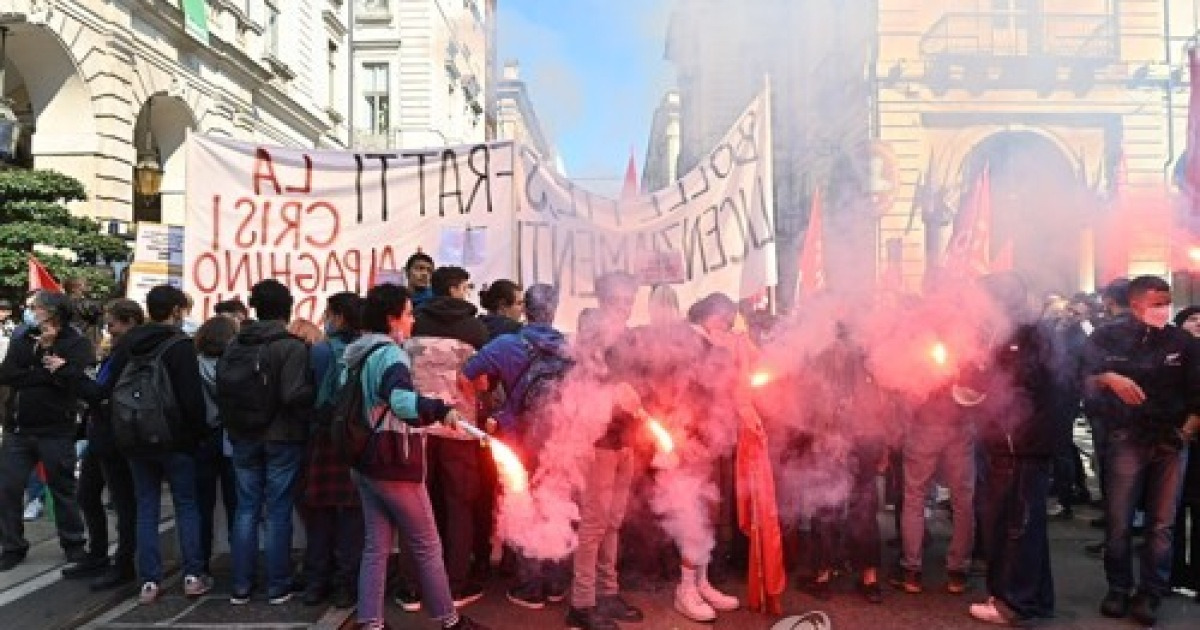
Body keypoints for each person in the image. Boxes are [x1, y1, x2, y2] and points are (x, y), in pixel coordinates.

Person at [345, 282, 486, 630]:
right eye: (408, 314)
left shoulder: (356, 352)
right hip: (394, 460)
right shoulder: (392, 354)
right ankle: (449, 620)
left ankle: (370, 622)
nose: (412, 322)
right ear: (392, 319)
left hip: (364, 461)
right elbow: (403, 403)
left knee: (375, 547)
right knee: (426, 544)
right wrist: (440, 409)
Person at [1086, 276, 1200, 626]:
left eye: (1167, 302)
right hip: (1126, 439)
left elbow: (1198, 395)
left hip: (1169, 442)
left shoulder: (1183, 342)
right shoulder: (1107, 337)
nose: (1164, 309)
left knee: (1162, 525)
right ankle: (1118, 588)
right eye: (1157, 303)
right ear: (1136, 304)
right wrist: (1109, 379)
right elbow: (1082, 378)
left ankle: (1151, 591)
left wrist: (1184, 434)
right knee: (1119, 521)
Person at [966, 273, 1057, 626]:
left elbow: (1019, 391)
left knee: (1015, 527)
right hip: (1015, 443)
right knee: (1024, 526)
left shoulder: (1025, 338)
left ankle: (1013, 603)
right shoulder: (1018, 335)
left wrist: (979, 389)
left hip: (1020, 445)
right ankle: (1035, 599)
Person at [401, 266, 490, 608]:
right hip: (459, 427)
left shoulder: (414, 323)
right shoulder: (474, 328)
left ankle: (411, 587)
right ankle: (456, 584)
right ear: (454, 289)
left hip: (416, 425)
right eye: (466, 287)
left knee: (415, 506)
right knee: (459, 506)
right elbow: (484, 380)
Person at [119, 284, 210, 604]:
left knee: (146, 506)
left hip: (135, 437)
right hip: (175, 438)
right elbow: (191, 398)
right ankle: (192, 575)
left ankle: (150, 582)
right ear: (175, 311)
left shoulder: (127, 342)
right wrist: (197, 435)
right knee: (187, 504)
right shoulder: (180, 345)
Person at [226, 279, 315, 605]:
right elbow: (292, 394)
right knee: (278, 510)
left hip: (242, 436)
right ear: (287, 307)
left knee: (246, 508)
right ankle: (278, 584)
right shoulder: (290, 346)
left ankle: (240, 585)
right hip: (282, 437)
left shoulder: (235, 344)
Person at [0, 290, 93, 571]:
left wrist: (49, 358)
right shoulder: (23, 339)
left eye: (36, 307)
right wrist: (45, 370)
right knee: (8, 488)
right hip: (20, 429)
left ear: (52, 312)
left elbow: (73, 380)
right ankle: (12, 545)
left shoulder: (76, 343)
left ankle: (73, 543)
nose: (32, 312)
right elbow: (7, 374)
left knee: (63, 488)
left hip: (56, 429)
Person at [61, 299, 144, 590]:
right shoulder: (117, 349)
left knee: (122, 501)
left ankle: (124, 562)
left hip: (113, 435)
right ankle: (99, 553)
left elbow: (100, 391)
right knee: (88, 493)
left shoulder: (126, 350)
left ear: (130, 321)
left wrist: (69, 372)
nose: (108, 330)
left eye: (112, 324)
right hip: (102, 433)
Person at [300, 292, 365, 609]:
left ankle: (315, 583)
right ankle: (347, 584)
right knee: (353, 516)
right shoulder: (369, 350)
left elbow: (308, 392)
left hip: (324, 438)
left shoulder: (322, 350)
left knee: (320, 515)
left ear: (337, 316)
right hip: (355, 440)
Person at [193, 316, 239, 580]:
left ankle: (199, 565)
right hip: (231, 436)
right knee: (237, 504)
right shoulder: (235, 365)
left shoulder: (193, 365)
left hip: (202, 438)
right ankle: (240, 565)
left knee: (201, 505)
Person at [1171, 305, 1200, 599]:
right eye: (1192, 319)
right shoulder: (1169, 359)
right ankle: (1173, 572)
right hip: (1171, 441)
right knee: (1171, 511)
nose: (1198, 323)